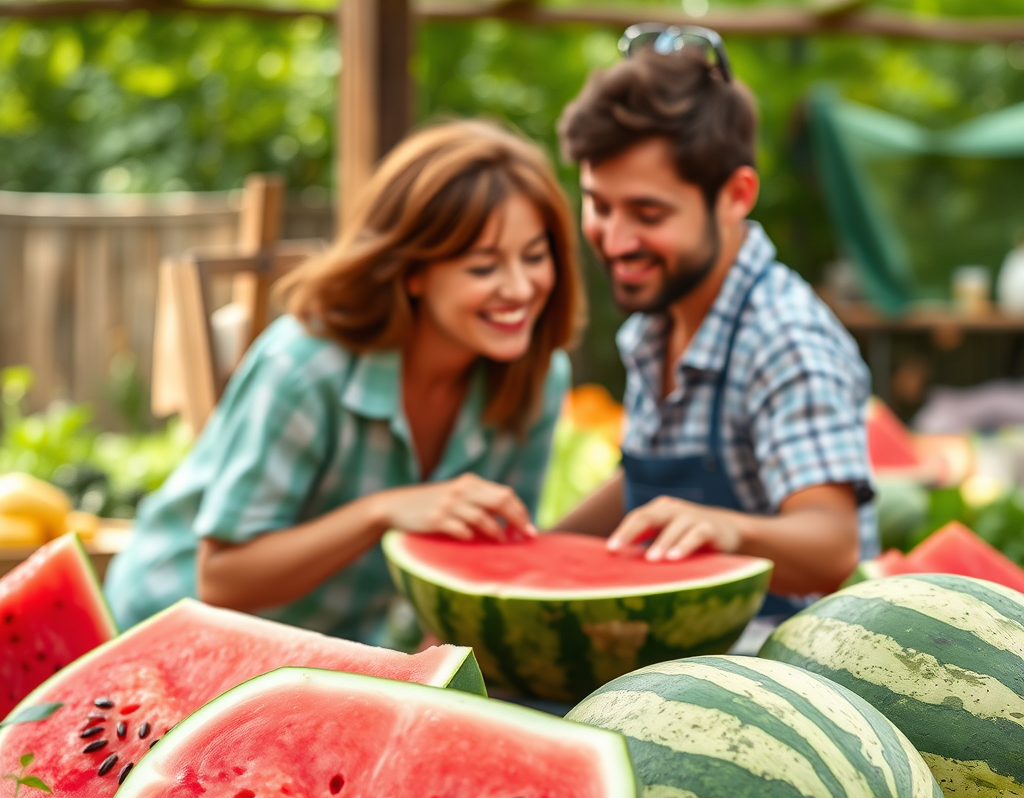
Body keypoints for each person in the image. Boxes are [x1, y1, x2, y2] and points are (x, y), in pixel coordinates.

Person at [105, 120, 583, 643]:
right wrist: (381, 512)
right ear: (413, 271)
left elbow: (485, 573)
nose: (520, 288)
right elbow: (220, 578)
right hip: (164, 629)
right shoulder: (304, 366)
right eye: (484, 267)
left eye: (535, 257)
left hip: (325, 654)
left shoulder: (538, 379)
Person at [556, 25, 877, 614]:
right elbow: (647, 487)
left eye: (648, 213)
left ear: (735, 195)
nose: (616, 240)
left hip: (782, 650)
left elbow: (832, 544)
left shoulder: (784, 338)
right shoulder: (659, 320)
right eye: (599, 204)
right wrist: (537, 550)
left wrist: (727, 529)